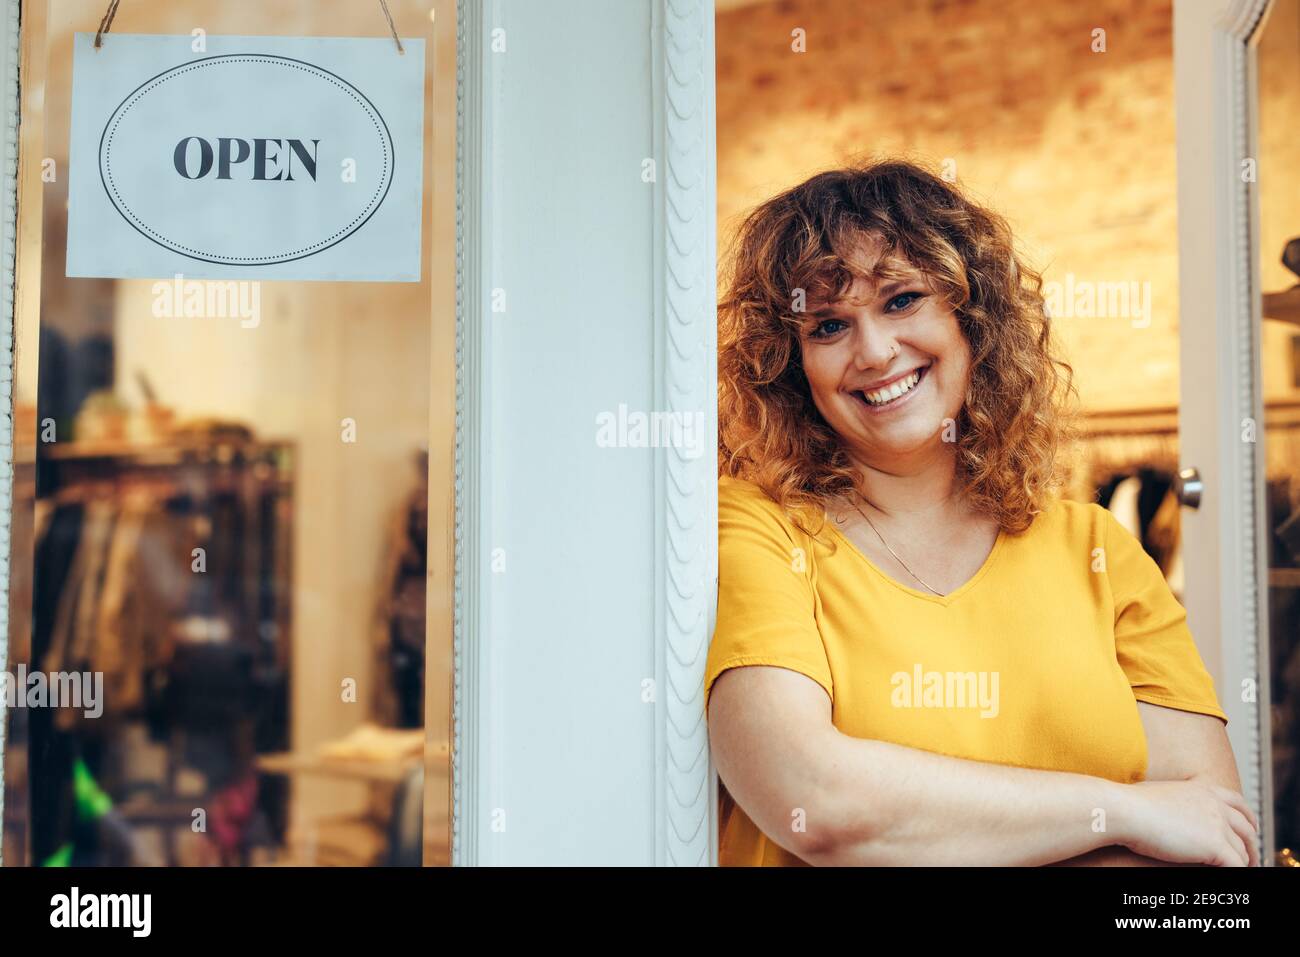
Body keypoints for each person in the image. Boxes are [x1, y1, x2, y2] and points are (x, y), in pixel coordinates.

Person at [707, 159, 1259, 867]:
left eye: (902, 300)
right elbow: (818, 805)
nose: (874, 352)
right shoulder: (756, 529)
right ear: (792, 364)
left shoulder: (1098, 551)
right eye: (828, 326)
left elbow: (1208, 846)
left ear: (973, 318)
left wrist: (929, 828)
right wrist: (1122, 810)